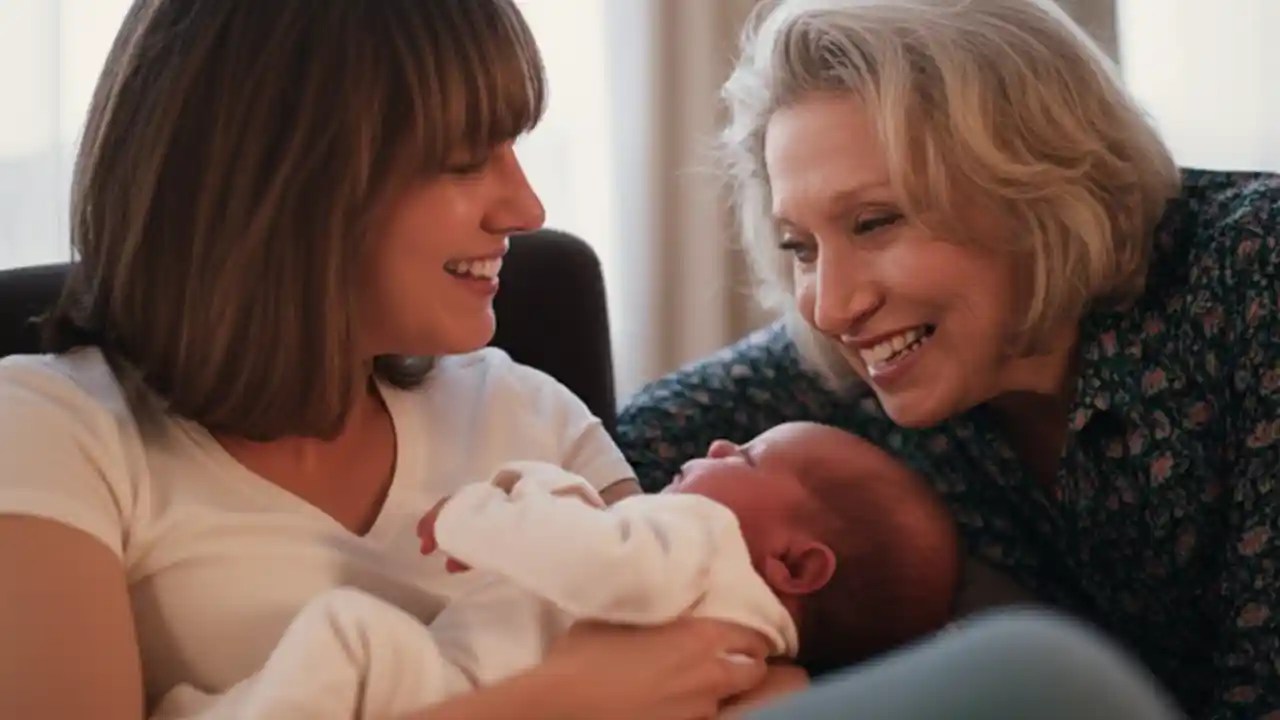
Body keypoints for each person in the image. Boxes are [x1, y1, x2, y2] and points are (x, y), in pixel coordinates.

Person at [0, 3, 774, 719]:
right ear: (286, 183)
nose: (526, 209)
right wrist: (555, 701)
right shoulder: (49, 432)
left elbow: (726, 675)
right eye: (466, 162)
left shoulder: (533, 417)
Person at [617, 0, 1279, 718]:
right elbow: (625, 451)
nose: (831, 308)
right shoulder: (864, 368)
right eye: (801, 249)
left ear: (1035, 184)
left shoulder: (1253, 271)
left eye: (875, 223)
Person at [150, 421, 961, 720]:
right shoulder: (750, 633)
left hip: (456, 682)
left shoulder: (705, 539)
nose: (717, 446)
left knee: (348, 634)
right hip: (482, 685)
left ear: (796, 562)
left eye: (746, 454)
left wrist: (483, 517)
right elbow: (600, 544)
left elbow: (615, 571)